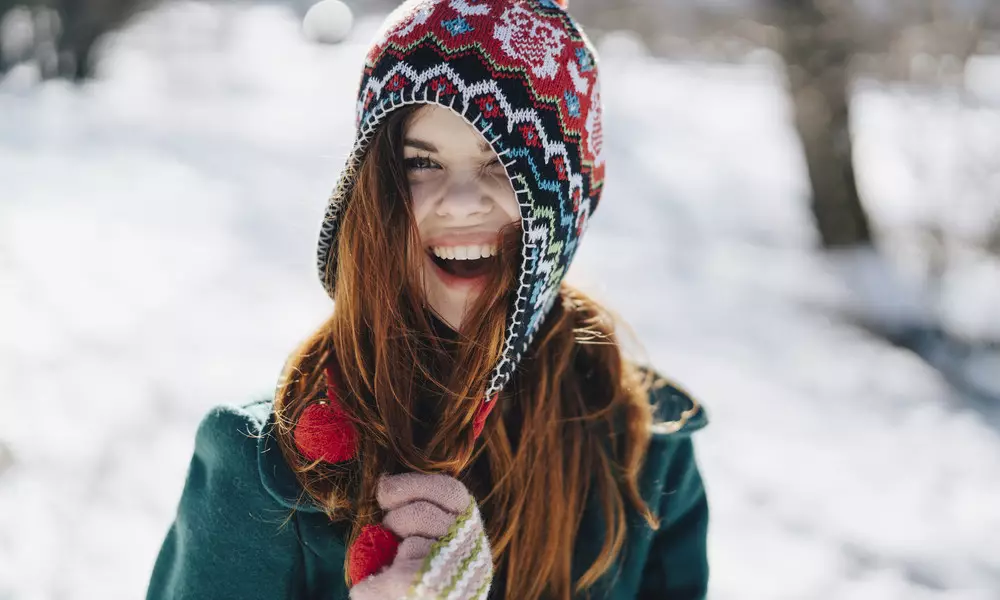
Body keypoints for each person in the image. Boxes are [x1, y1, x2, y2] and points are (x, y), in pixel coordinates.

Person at [145, 0, 709, 598]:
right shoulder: (267, 468)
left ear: (564, 204)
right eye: (421, 163)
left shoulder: (644, 454)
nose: (460, 203)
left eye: (503, 163)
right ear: (378, 185)